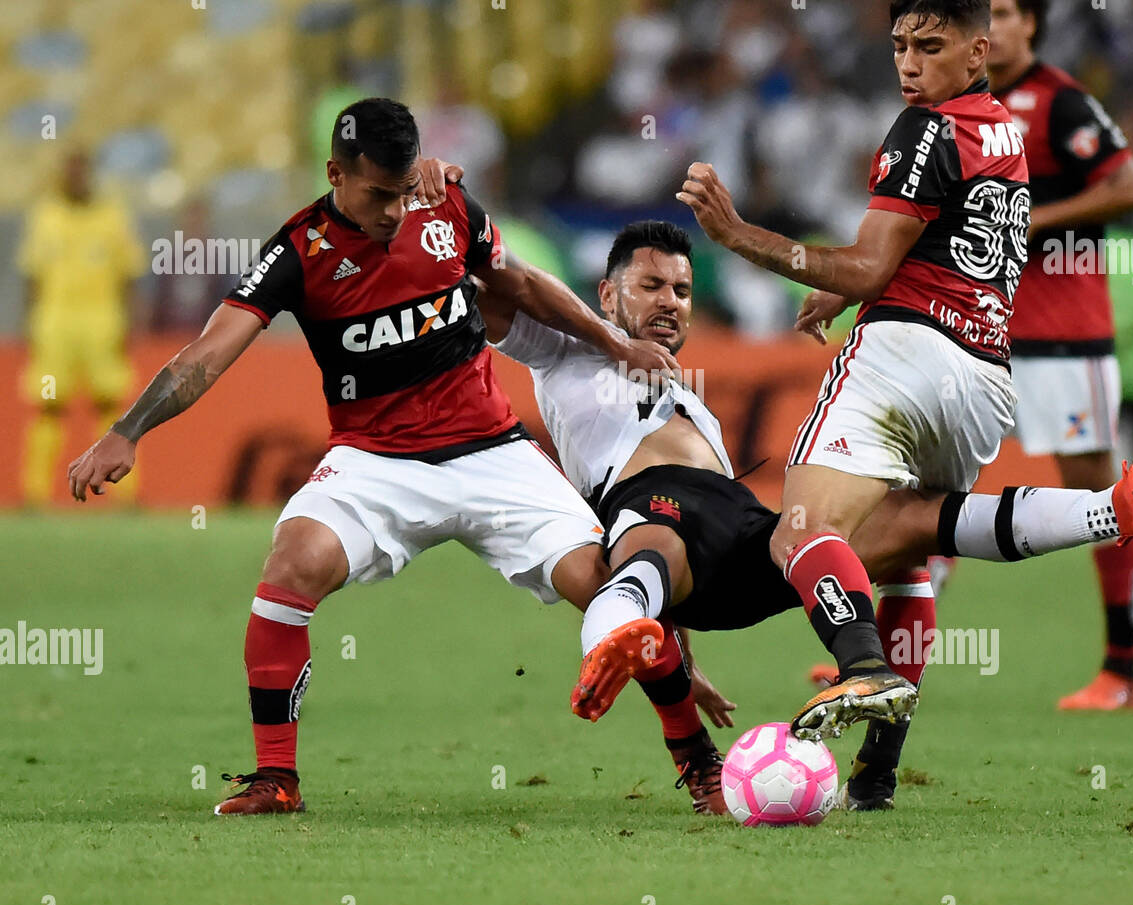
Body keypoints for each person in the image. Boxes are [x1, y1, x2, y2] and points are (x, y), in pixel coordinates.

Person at [66, 98, 677, 816]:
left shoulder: (444, 199)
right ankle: (276, 779)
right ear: (335, 173)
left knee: (606, 583)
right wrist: (128, 429)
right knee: (291, 560)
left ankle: (696, 756)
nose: (393, 210)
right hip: (376, 461)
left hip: (491, 449)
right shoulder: (298, 251)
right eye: (377, 194)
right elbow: (208, 352)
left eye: (401, 189)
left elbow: (518, 283)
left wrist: (615, 340)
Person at [675, 0, 1133, 799]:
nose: (909, 65)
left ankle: (862, 664)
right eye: (900, 47)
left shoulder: (923, 131)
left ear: (977, 49)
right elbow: (932, 257)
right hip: (984, 376)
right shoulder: (1003, 133)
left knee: (798, 534)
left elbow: (873, 268)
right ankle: (1111, 511)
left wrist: (737, 235)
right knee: (914, 551)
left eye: (930, 46)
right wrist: (838, 287)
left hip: (903, 359)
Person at [484, 219, 1133, 812]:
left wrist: (678, 659)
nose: (669, 301)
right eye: (650, 287)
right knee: (651, 546)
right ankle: (682, 738)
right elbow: (495, 284)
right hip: (648, 514)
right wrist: (443, 208)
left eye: (682, 289)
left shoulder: (693, 400)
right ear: (606, 293)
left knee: (913, 524)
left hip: (740, 534)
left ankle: (1117, 507)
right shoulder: (564, 348)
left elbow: (711, 537)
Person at [978, 0, 1133, 711]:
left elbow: (1131, 186)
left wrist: (1028, 220)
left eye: (1002, 12)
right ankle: (884, 656)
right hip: (981, 329)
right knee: (932, 485)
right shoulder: (963, 106)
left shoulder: (1060, 102)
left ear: (1032, 23)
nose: (988, 27)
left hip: (1066, 334)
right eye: (976, 14)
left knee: (1101, 494)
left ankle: (1122, 668)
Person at [19, 148, 146, 506]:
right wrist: (30, 326)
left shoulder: (112, 216)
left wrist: (131, 322)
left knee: (112, 407)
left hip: (102, 321)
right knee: (48, 404)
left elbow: (128, 275)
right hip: (54, 321)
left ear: (90, 173)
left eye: (81, 169)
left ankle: (126, 498)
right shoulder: (46, 215)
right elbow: (32, 275)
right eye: (69, 169)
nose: (75, 176)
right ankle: (35, 494)